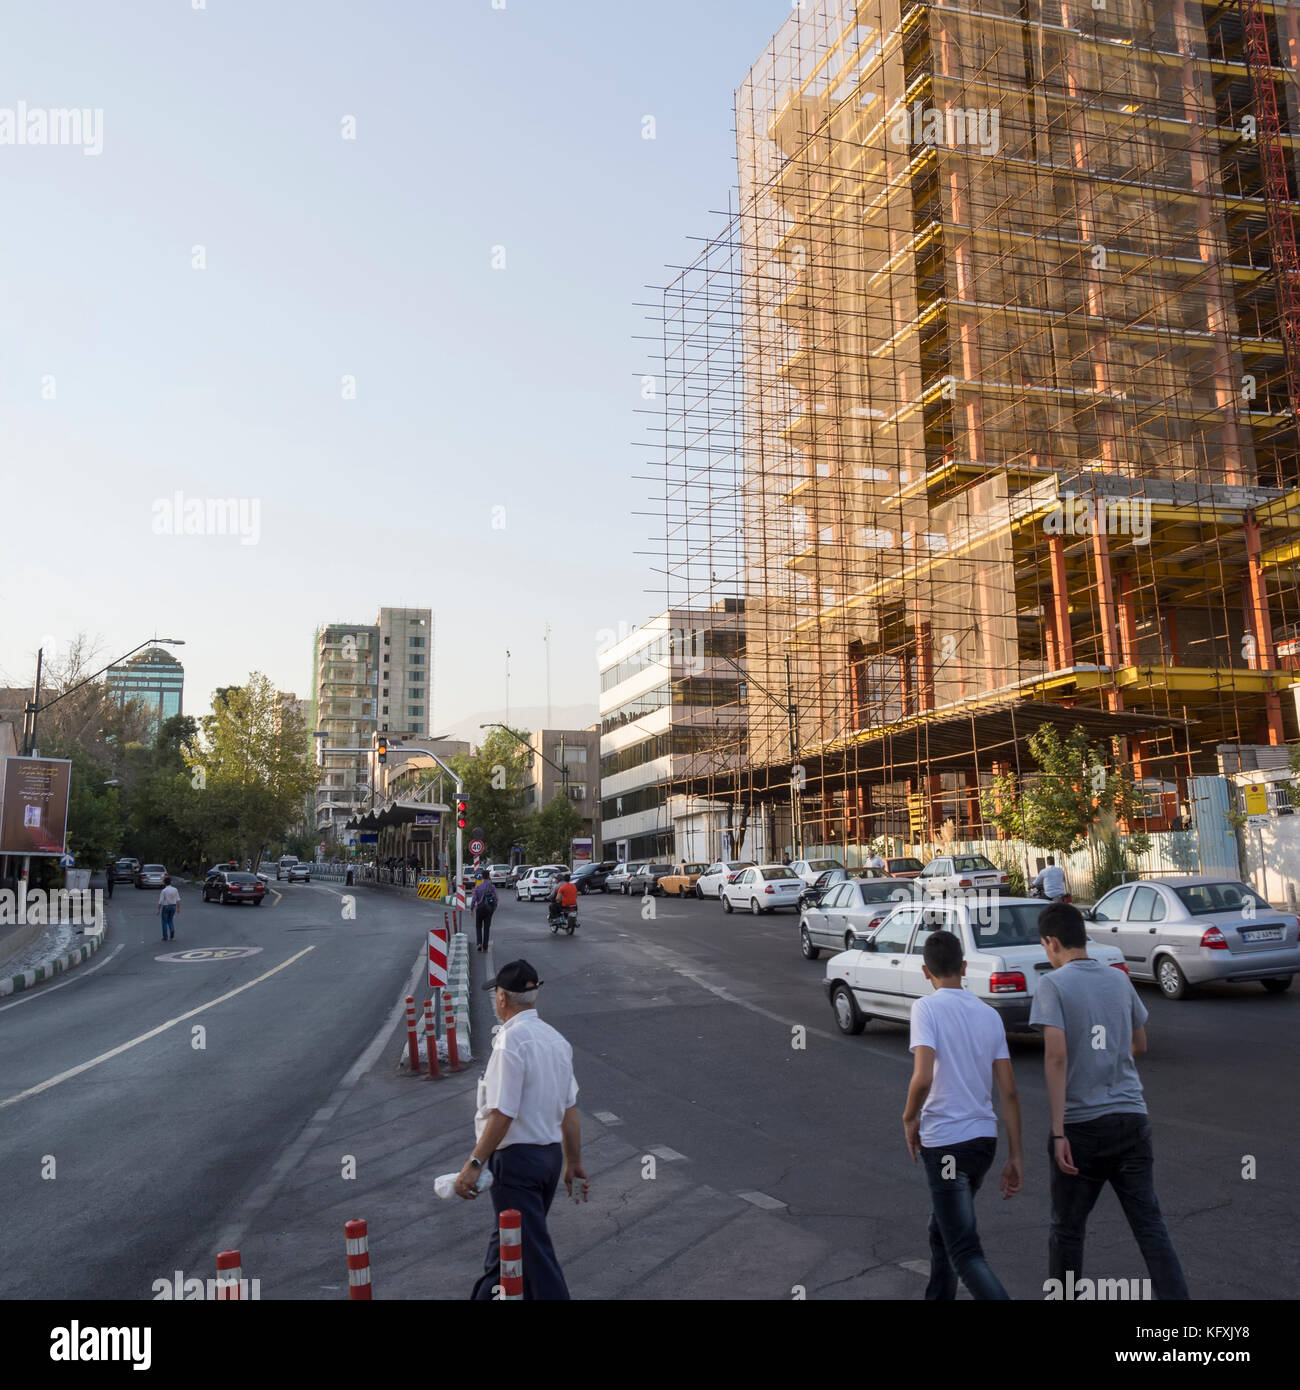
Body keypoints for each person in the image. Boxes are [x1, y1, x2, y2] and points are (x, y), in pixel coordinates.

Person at [1030, 902, 1188, 1299]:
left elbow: (1056, 1056)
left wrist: (1057, 1130)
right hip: (1132, 1118)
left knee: (1068, 1229)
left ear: (1051, 942)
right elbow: (1140, 1043)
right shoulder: (1119, 980)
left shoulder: (1053, 985)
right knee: (1150, 1227)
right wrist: (1107, 1060)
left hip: (1082, 1126)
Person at [456, 960, 588, 1299]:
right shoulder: (557, 1041)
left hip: (516, 1165)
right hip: (548, 1160)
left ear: (502, 998)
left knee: (534, 1255)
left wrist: (473, 1164)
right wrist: (573, 1162)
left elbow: (502, 1114)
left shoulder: (510, 1043)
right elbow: (569, 1110)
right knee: (506, 1247)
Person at [903, 928, 1022, 1300]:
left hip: (947, 1146)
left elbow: (922, 1077)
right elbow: (1010, 1091)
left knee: (965, 1251)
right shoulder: (988, 1015)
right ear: (964, 966)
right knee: (942, 1230)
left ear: (926, 972)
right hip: (983, 1141)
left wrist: (909, 1118)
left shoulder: (925, 1008)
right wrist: (1016, 1155)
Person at [471, 875, 498, 952]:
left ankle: (479, 943)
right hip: (489, 910)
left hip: (479, 909)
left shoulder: (478, 887)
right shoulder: (492, 887)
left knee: (478, 927)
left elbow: (474, 899)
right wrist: (494, 908)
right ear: (488, 878)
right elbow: (496, 898)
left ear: (482, 877)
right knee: (486, 928)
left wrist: (471, 909)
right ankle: (485, 947)